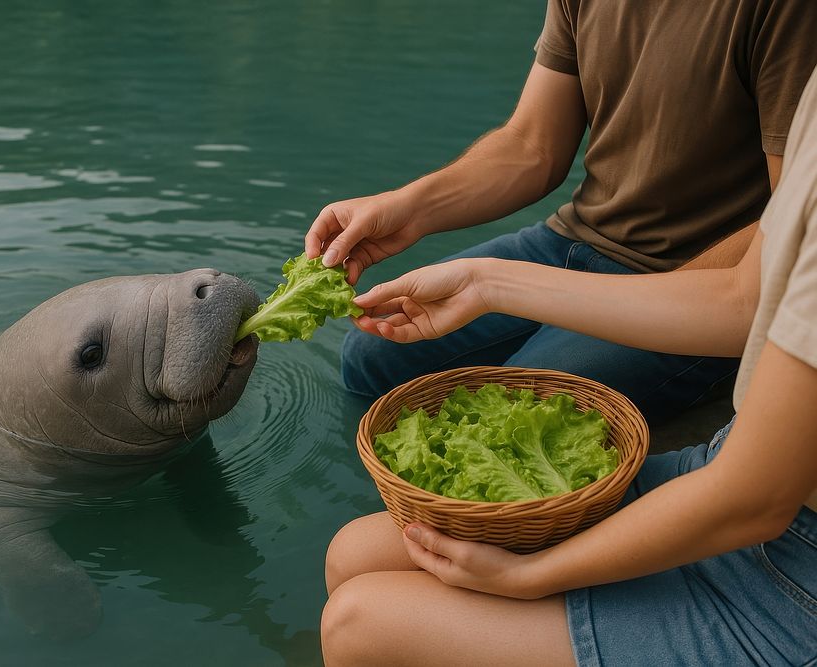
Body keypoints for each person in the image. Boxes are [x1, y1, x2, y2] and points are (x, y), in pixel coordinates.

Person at [318, 67, 817, 666]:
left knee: (360, 625)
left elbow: (754, 500)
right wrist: (484, 283)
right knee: (353, 553)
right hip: (739, 479)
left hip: (788, 586)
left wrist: (533, 574)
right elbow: (741, 297)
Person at [305, 0, 817, 425]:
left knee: (508, 415)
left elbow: (792, 216)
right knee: (372, 358)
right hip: (575, 238)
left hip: (690, 281)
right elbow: (533, 146)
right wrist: (405, 209)